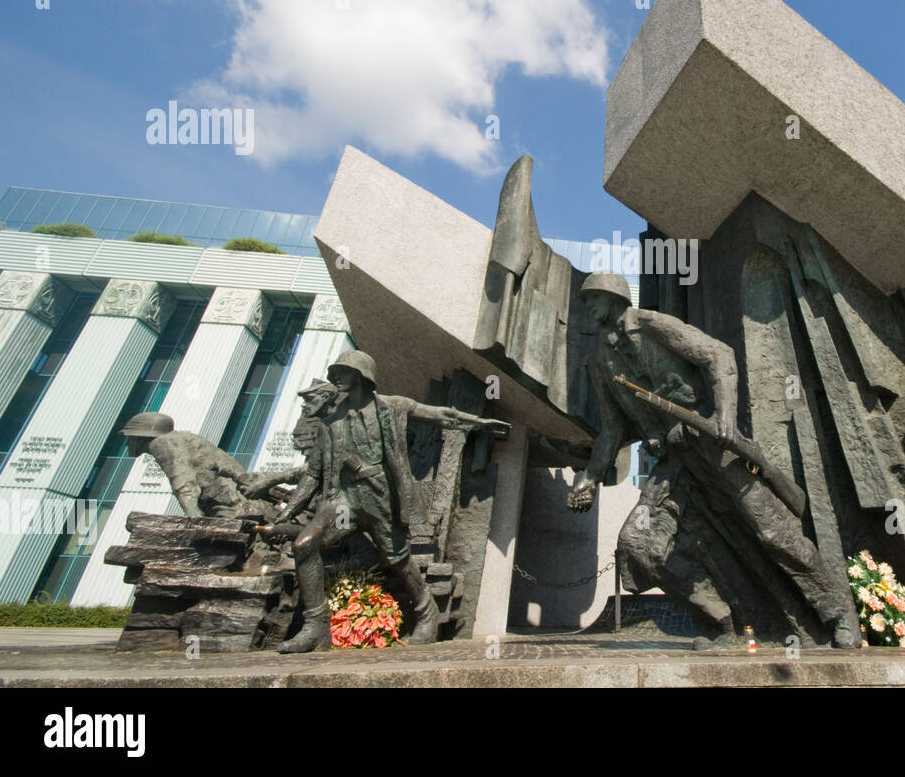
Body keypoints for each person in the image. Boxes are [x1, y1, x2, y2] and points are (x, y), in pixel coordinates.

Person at [566, 271, 859, 649]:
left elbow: (719, 355)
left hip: (708, 442)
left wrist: (724, 416)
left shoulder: (654, 325)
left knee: (772, 530)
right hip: (672, 462)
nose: (588, 306)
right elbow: (611, 430)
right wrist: (589, 478)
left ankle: (837, 614)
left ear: (615, 296)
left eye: (593, 297)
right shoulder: (601, 362)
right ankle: (723, 623)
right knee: (637, 544)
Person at [272, 350, 510, 653]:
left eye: (342, 373)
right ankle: (316, 626)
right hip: (342, 500)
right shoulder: (328, 423)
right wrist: (287, 514)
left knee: (396, 559)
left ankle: (427, 612)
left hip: (380, 497)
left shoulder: (391, 407)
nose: (336, 379)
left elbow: (440, 415)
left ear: (359, 376)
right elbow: (314, 475)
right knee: (305, 545)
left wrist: (478, 423)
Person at [118, 412, 277, 521]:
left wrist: (192, 513)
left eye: (130, 437)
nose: (127, 443)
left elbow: (181, 477)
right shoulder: (186, 437)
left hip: (222, 502)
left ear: (141, 436)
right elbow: (230, 466)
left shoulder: (161, 443)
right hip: (234, 497)